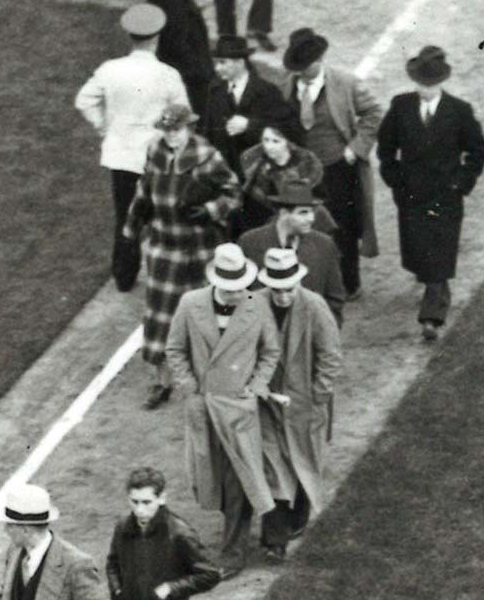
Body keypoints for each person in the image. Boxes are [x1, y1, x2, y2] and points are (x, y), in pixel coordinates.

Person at [166, 243, 280, 579]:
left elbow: (270, 351)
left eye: (240, 287)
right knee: (208, 478)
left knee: (239, 480)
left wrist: (256, 387)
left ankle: (233, 552)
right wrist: (191, 388)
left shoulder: (256, 305)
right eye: (230, 289)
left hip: (238, 410)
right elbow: (175, 349)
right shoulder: (190, 304)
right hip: (204, 407)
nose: (236, 294)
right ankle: (233, 536)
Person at [123, 104, 239, 410]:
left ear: (189, 127)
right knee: (159, 316)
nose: (171, 136)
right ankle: (161, 380)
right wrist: (132, 227)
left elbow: (233, 192)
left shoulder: (207, 156)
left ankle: (219, 378)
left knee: (212, 314)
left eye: (176, 129)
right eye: (167, 130)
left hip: (201, 245)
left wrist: (211, 210)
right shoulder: (155, 153)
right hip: (165, 246)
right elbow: (143, 191)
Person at [75, 3, 190, 292]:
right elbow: (182, 114)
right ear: (156, 37)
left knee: (126, 216)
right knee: (162, 218)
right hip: (158, 157)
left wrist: (104, 126)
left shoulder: (110, 69)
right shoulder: (167, 74)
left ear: (131, 36)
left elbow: (84, 100)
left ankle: (124, 277)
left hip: (122, 155)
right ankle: (160, 277)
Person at [377, 46, 484, 342]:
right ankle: (433, 283)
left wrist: (461, 182)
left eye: (430, 84)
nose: (425, 90)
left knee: (439, 250)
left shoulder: (459, 111)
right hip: (410, 193)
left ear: (440, 82)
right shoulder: (401, 106)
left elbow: (477, 151)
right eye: (421, 84)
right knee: (417, 249)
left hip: (445, 195)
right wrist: (394, 178)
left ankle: (431, 317)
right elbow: (386, 146)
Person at [281, 28, 382, 300]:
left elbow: (373, 113)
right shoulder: (288, 84)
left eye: (308, 65)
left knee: (343, 228)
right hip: (302, 170)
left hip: (338, 167)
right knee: (304, 225)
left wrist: (355, 149)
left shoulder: (345, 82)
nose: (304, 71)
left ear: (319, 59)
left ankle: (348, 285)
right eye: (299, 66)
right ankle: (315, 283)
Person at [255, 249, 342, 561]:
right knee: (271, 467)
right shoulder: (254, 305)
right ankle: (274, 541)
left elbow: (330, 356)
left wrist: (318, 395)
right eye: (276, 289)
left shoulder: (315, 307)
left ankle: (299, 515)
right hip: (267, 403)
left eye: (288, 289)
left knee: (303, 462)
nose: (282, 296)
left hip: (305, 403)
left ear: (297, 283)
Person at [201, 35, 296, 235]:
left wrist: (251, 125)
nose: (217, 68)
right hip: (226, 180)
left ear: (239, 63)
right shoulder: (215, 90)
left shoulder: (267, 92)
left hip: (258, 183)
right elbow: (207, 132)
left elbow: (288, 127)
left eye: (222, 63)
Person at [238, 179, 345, 326]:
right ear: (284, 213)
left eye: (312, 212)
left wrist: (324, 333)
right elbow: (242, 295)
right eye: (303, 213)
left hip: (309, 333)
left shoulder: (324, 245)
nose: (311, 219)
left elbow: (335, 299)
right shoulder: (250, 242)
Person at [106, 467, 221, 600]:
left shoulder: (180, 533)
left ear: (162, 498)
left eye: (146, 502)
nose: (139, 510)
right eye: (134, 502)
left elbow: (211, 574)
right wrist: (117, 590)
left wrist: (172, 588)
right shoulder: (122, 527)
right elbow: (113, 563)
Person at [0, 484, 105, 600]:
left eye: (10, 525)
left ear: (25, 530)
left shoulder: (77, 565)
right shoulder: (13, 552)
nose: (5, 530)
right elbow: (5, 593)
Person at [239, 123, 338, 236]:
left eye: (276, 141)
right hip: (267, 218)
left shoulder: (306, 164)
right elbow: (254, 203)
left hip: (303, 214)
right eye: (265, 140)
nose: (269, 146)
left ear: (287, 142)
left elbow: (318, 197)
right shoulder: (257, 166)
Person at [147, 0, 213, 116]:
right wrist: (201, 70)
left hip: (189, 75)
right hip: (189, 79)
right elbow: (175, 45)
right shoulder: (174, 5)